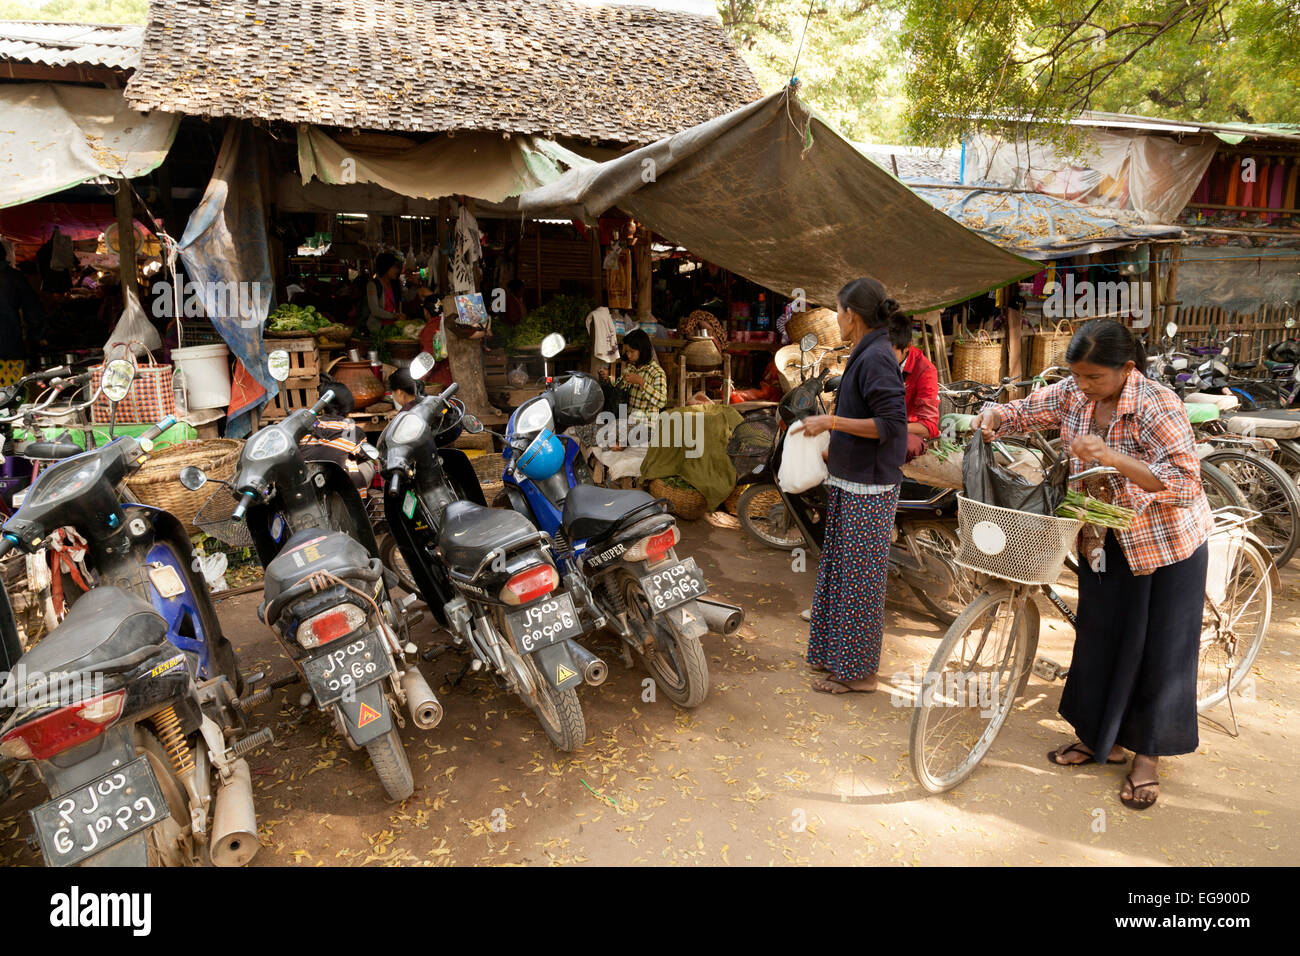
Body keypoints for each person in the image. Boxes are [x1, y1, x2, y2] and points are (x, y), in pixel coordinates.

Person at [972, 319, 1212, 811]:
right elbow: (1025, 411)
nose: (1082, 386)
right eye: (1076, 376)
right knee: (1101, 637)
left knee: (1160, 651)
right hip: (1102, 539)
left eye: (1093, 377)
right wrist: (996, 414)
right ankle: (1102, 737)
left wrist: (1112, 457)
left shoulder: (1156, 404)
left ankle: (1148, 754)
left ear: (1126, 368)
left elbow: (1187, 484)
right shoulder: (1076, 392)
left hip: (1164, 545)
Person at [796, 278, 908, 694]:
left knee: (859, 581)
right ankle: (834, 657)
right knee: (840, 573)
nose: (835, 318)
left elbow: (891, 425)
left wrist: (832, 422)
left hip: (870, 489)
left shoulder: (877, 356)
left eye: (837, 311)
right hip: (852, 481)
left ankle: (861, 674)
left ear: (852, 315)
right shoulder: (866, 351)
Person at [887, 314, 940, 461]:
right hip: (873, 427)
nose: (883, 359)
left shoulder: (925, 370)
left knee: (906, 446)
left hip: (904, 431)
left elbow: (929, 427)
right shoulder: (874, 361)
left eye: (890, 354)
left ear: (908, 346)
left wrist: (891, 428)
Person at [597, 327, 668, 422]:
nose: (629, 355)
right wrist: (607, 378)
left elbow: (662, 402)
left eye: (632, 352)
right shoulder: (630, 369)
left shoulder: (656, 372)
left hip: (645, 427)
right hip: (626, 422)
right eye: (627, 352)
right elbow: (618, 393)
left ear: (642, 351)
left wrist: (642, 383)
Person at [0, 245, 45, 362]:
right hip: (9, 349)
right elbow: (33, 311)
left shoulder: (13, 277)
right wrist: (36, 338)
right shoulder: (14, 277)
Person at [364, 253, 403, 332]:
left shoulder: (395, 284)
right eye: (394, 267)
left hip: (392, 328)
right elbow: (375, 311)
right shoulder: (373, 285)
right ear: (386, 267)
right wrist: (394, 316)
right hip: (378, 330)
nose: (397, 270)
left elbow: (405, 298)